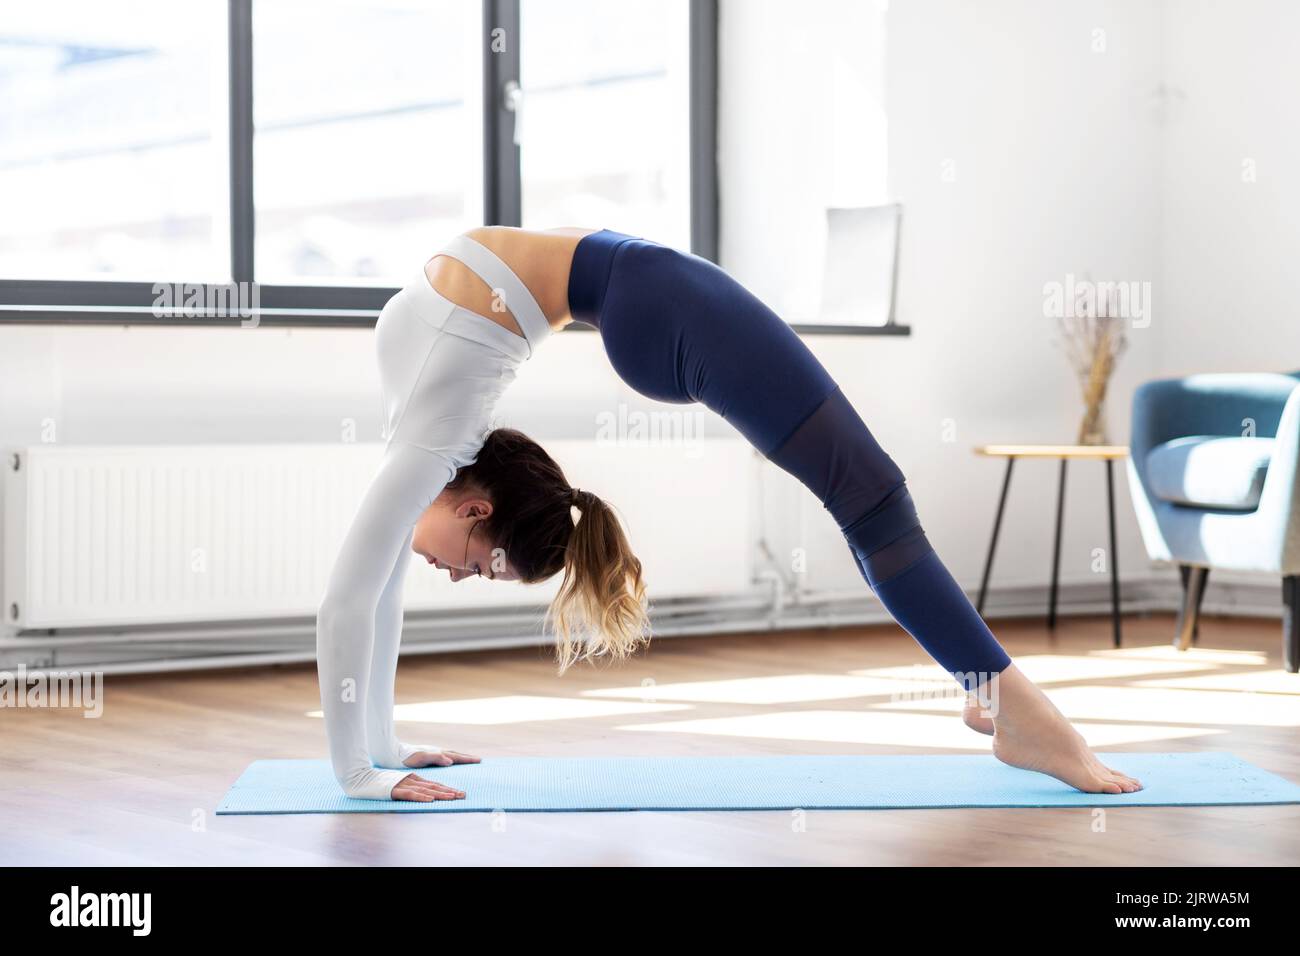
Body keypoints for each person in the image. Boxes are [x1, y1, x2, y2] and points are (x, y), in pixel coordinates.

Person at [315, 225, 1143, 802]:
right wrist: (380, 753)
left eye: (477, 562)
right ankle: (1001, 701)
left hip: (662, 304)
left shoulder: (427, 450)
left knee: (875, 501)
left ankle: (1006, 705)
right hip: (649, 296)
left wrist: (358, 771)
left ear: (477, 504)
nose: (455, 574)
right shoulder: (428, 446)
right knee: (871, 500)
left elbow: (349, 598)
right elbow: (377, 585)